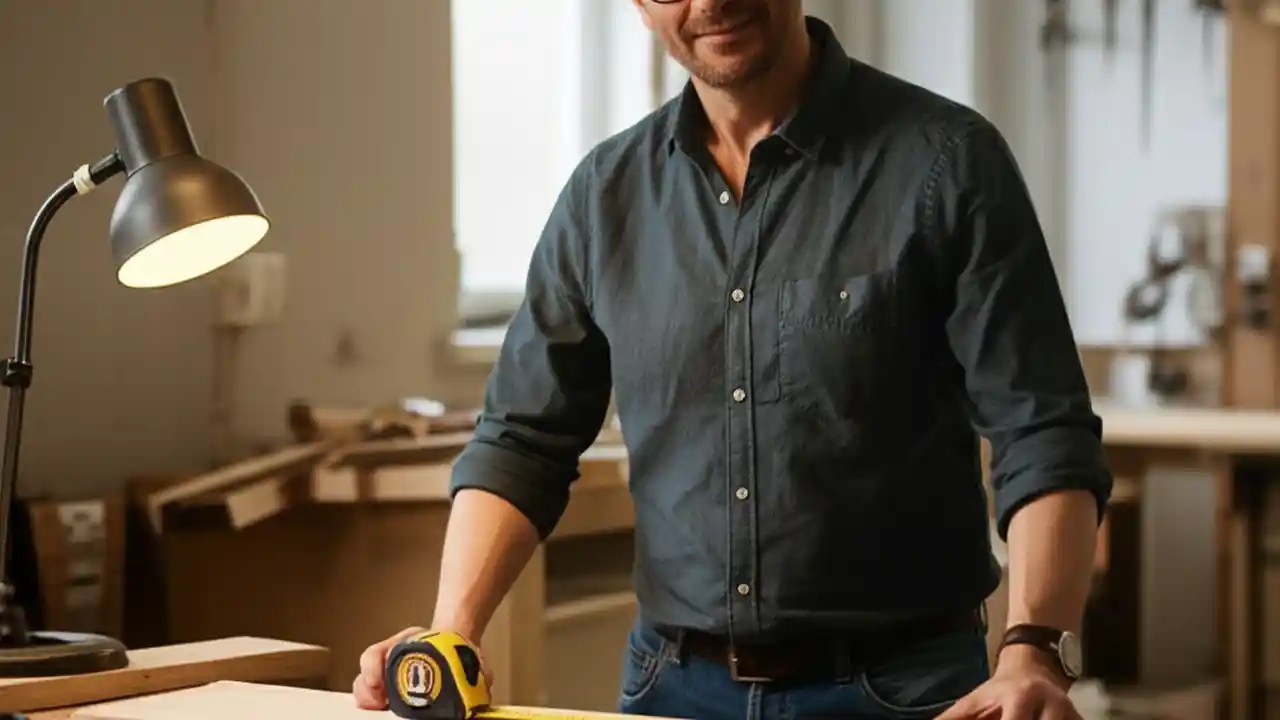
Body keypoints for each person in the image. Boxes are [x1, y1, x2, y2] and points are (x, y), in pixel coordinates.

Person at [354, 1, 1112, 718]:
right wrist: (448, 634)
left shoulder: (947, 163)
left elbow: (1041, 431)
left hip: (904, 692)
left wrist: (1035, 651)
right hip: (672, 686)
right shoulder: (602, 197)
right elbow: (522, 439)